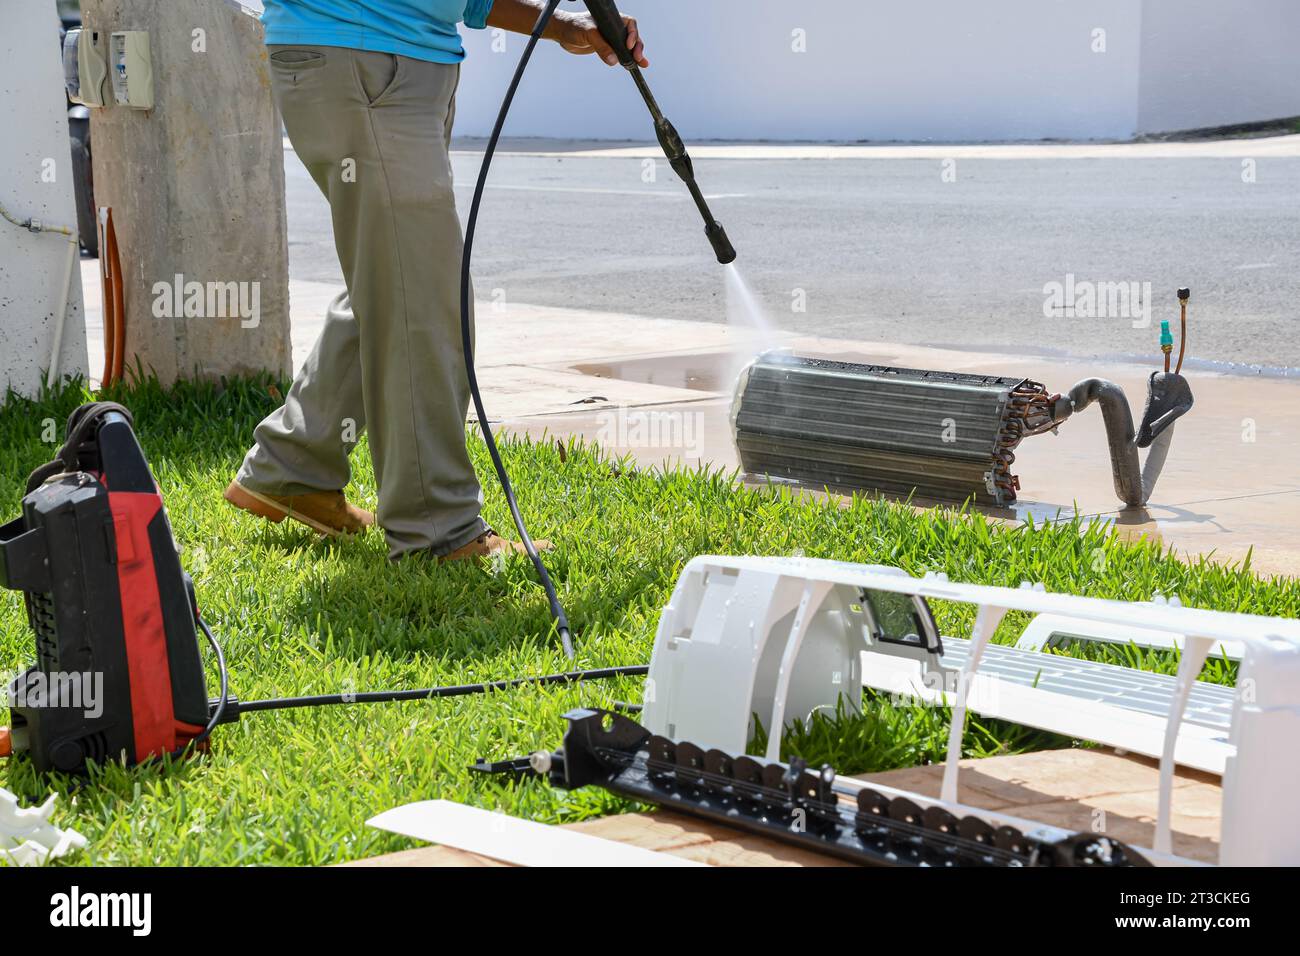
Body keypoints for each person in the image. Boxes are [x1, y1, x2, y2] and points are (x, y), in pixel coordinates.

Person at [224, 0, 647, 561]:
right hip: (368, 61)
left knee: (394, 275)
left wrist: (567, 25)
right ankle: (436, 529)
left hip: (380, 61)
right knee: (420, 297)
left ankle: (294, 465)